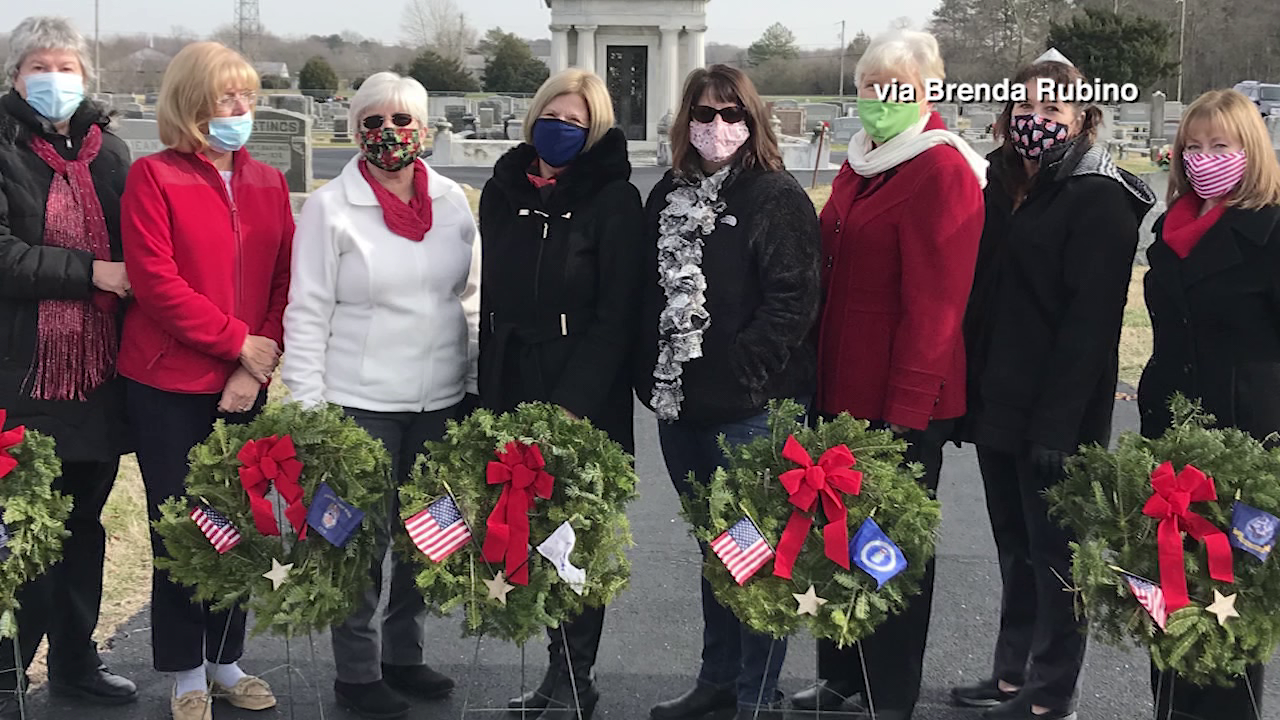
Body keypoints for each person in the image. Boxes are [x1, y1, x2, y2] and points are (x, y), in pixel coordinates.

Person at [952, 55, 1155, 720]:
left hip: (1056, 412)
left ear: (1082, 118)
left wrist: (1057, 426)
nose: (1036, 121)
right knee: (1014, 547)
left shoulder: (1101, 198)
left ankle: (1051, 691)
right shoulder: (1002, 183)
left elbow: (1089, 326)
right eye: (1026, 108)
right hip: (998, 398)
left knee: (1057, 556)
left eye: (1054, 110)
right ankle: (1011, 674)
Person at [792, 29, 987, 720]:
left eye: (896, 87)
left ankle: (887, 691)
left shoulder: (943, 169)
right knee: (838, 538)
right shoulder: (862, 163)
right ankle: (840, 674)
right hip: (841, 394)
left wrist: (904, 411)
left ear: (926, 91)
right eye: (872, 86)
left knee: (890, 549)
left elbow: (938, 304)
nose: (880, 98)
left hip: (902, 404)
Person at [281, 71, 479, 720]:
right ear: (355, 130)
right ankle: (358, 674)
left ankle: (404, 654)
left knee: (425, 536)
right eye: (374, 122)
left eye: (402, 121)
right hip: (358, 400)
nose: (389, 134)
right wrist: (309, 413)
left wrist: (473, 383)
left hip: (440, 398)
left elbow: (470, 302)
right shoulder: (330, 208)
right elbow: (306, 312)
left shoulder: (453, 202)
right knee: (355, 542)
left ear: (424, 130)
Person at [637, 64, 821, 720]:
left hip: (752, 411)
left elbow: (792, 304)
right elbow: (646, 292)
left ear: (753, 120)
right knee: (719, 550)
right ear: (687, 121)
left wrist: (742, 373)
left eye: (731, 114)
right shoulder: (667, 195)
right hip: (680, 408)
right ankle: (717, 680)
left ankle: (755, 693)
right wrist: (648, 371)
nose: (718, 127)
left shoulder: (776, 197)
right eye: (706, 114)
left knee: (759, 551)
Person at [119, 41, 292, 720]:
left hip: (245, 380)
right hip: (168, 384)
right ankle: (186, 672)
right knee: (185, 529)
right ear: (193, 102)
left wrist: (257, 360)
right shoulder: (154, 178)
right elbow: (158, 284)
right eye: (228, 97)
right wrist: (236, 345)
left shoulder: (269, 183)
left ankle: (226, 660)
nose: (242, 108)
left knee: (238, 524)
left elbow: (282, 280)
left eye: (248, 95)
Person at [477, 68, 643, 720]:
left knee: (575, 538)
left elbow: (618, 314)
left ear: (593, 128)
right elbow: (487, 292)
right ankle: (553, 666)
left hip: (583, 389)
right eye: (552, 116)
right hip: (515, 376)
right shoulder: (502, 190)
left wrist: (572, 403)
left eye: (575, 122)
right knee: (530, 529)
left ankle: (576, 675)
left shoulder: (615, 200)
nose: (560, 129)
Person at [0, 16, 137, 717]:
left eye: (66, 67)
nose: (54, 80)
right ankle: (7, 668)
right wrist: (93, 272)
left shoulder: (108, 154)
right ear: (15, 76)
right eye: (39, 67)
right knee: (21, 530)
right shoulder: (3, 149)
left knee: (83, 527)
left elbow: (146, 247)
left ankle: (77, 663)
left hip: (96, 379)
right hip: (23, 375)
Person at [1137, 89, 1280, 720]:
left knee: (1232, 605)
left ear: (1249, 149)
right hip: (1172, 437)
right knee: (1169, 592)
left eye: (1220, 145)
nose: (1204, 157)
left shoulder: (1272, 231)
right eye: (1193, 146)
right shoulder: (1171, 230)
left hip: (1251, 445)